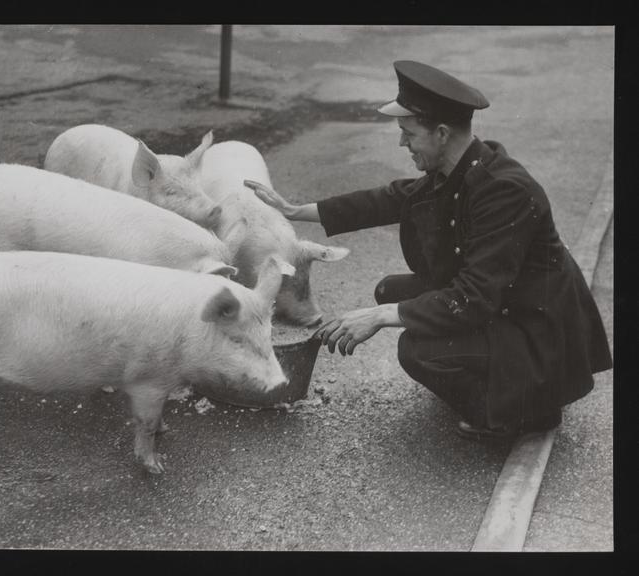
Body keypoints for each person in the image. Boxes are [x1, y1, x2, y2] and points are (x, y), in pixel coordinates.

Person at [245, 60, 612, 440]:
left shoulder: (505, 192)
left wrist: (379, 316)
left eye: (408, 133)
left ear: (440, 133)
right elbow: (387, 199)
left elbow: (474, 297)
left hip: (541, 341)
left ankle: (528, 413)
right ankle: (493, 382)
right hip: (510, 308)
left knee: (417, 349)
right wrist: (293, 210)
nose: (402, 142)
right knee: (392, 291)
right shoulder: (459, 170)